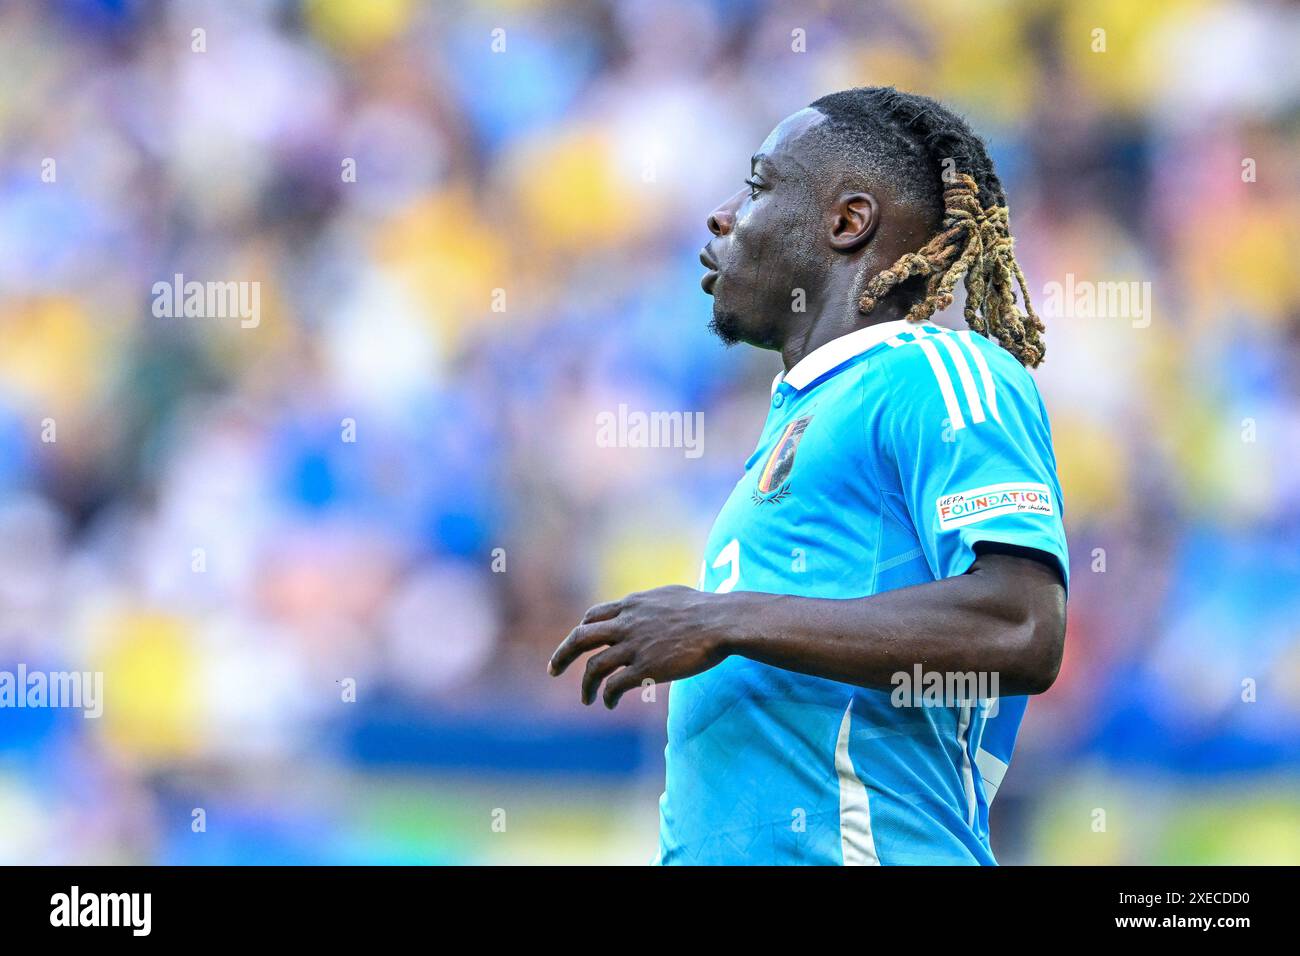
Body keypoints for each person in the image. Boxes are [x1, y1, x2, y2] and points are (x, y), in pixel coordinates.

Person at [550, 87, 1068, 865]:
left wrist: (723, 620)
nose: (722, 215)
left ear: (847, 222)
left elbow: (1021, 626)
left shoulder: (936, 370)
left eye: (757, 187)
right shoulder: (803, 419)